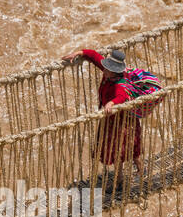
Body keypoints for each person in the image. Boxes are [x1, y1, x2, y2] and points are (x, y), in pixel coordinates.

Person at [61, 46, 144, 188]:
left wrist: (112, 102)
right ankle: (128, 175)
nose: (103, 70)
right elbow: (94, 56)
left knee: (123, 150)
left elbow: (122, 96)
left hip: (123, 123)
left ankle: (127, 178)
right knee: (120, 150)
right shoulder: (110, 74)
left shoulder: (120, 84)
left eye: (106, 69)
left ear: (114, 72)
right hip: (111, 120)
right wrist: (79, 53)